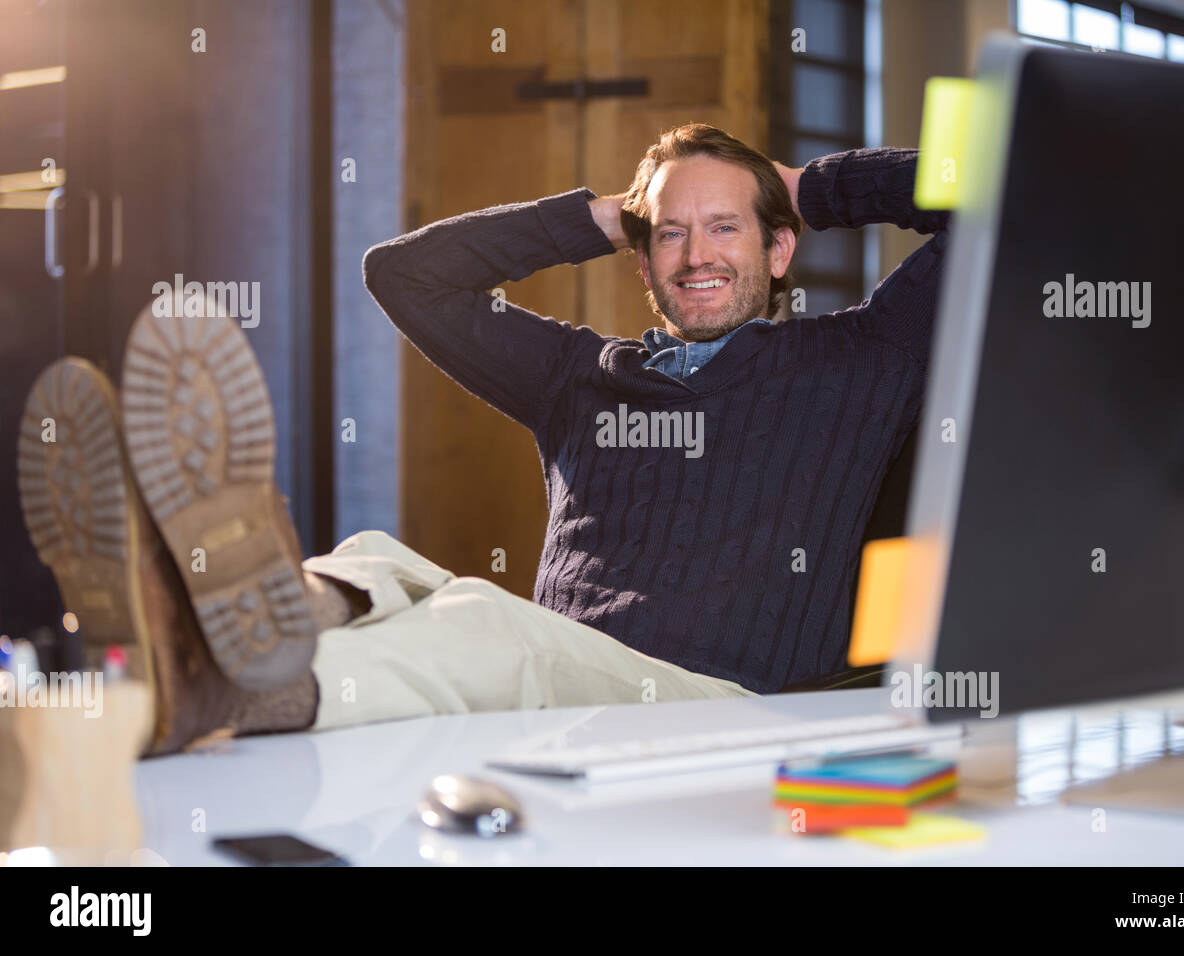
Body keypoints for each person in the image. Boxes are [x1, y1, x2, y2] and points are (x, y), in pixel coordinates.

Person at [17, 124, 949, 755]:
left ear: (779, 249)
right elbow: (405, 277)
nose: (695, 255)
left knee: (488, 626)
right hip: (559, 692)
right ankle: (209, 633)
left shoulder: (863, 356)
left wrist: (816, 187)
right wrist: (598, 215)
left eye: (725, 228)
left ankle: (217, 688)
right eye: (667, 233)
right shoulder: (581, 376)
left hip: (720, 714)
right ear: (642, 258)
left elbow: (1014, 191)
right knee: (382, 561)